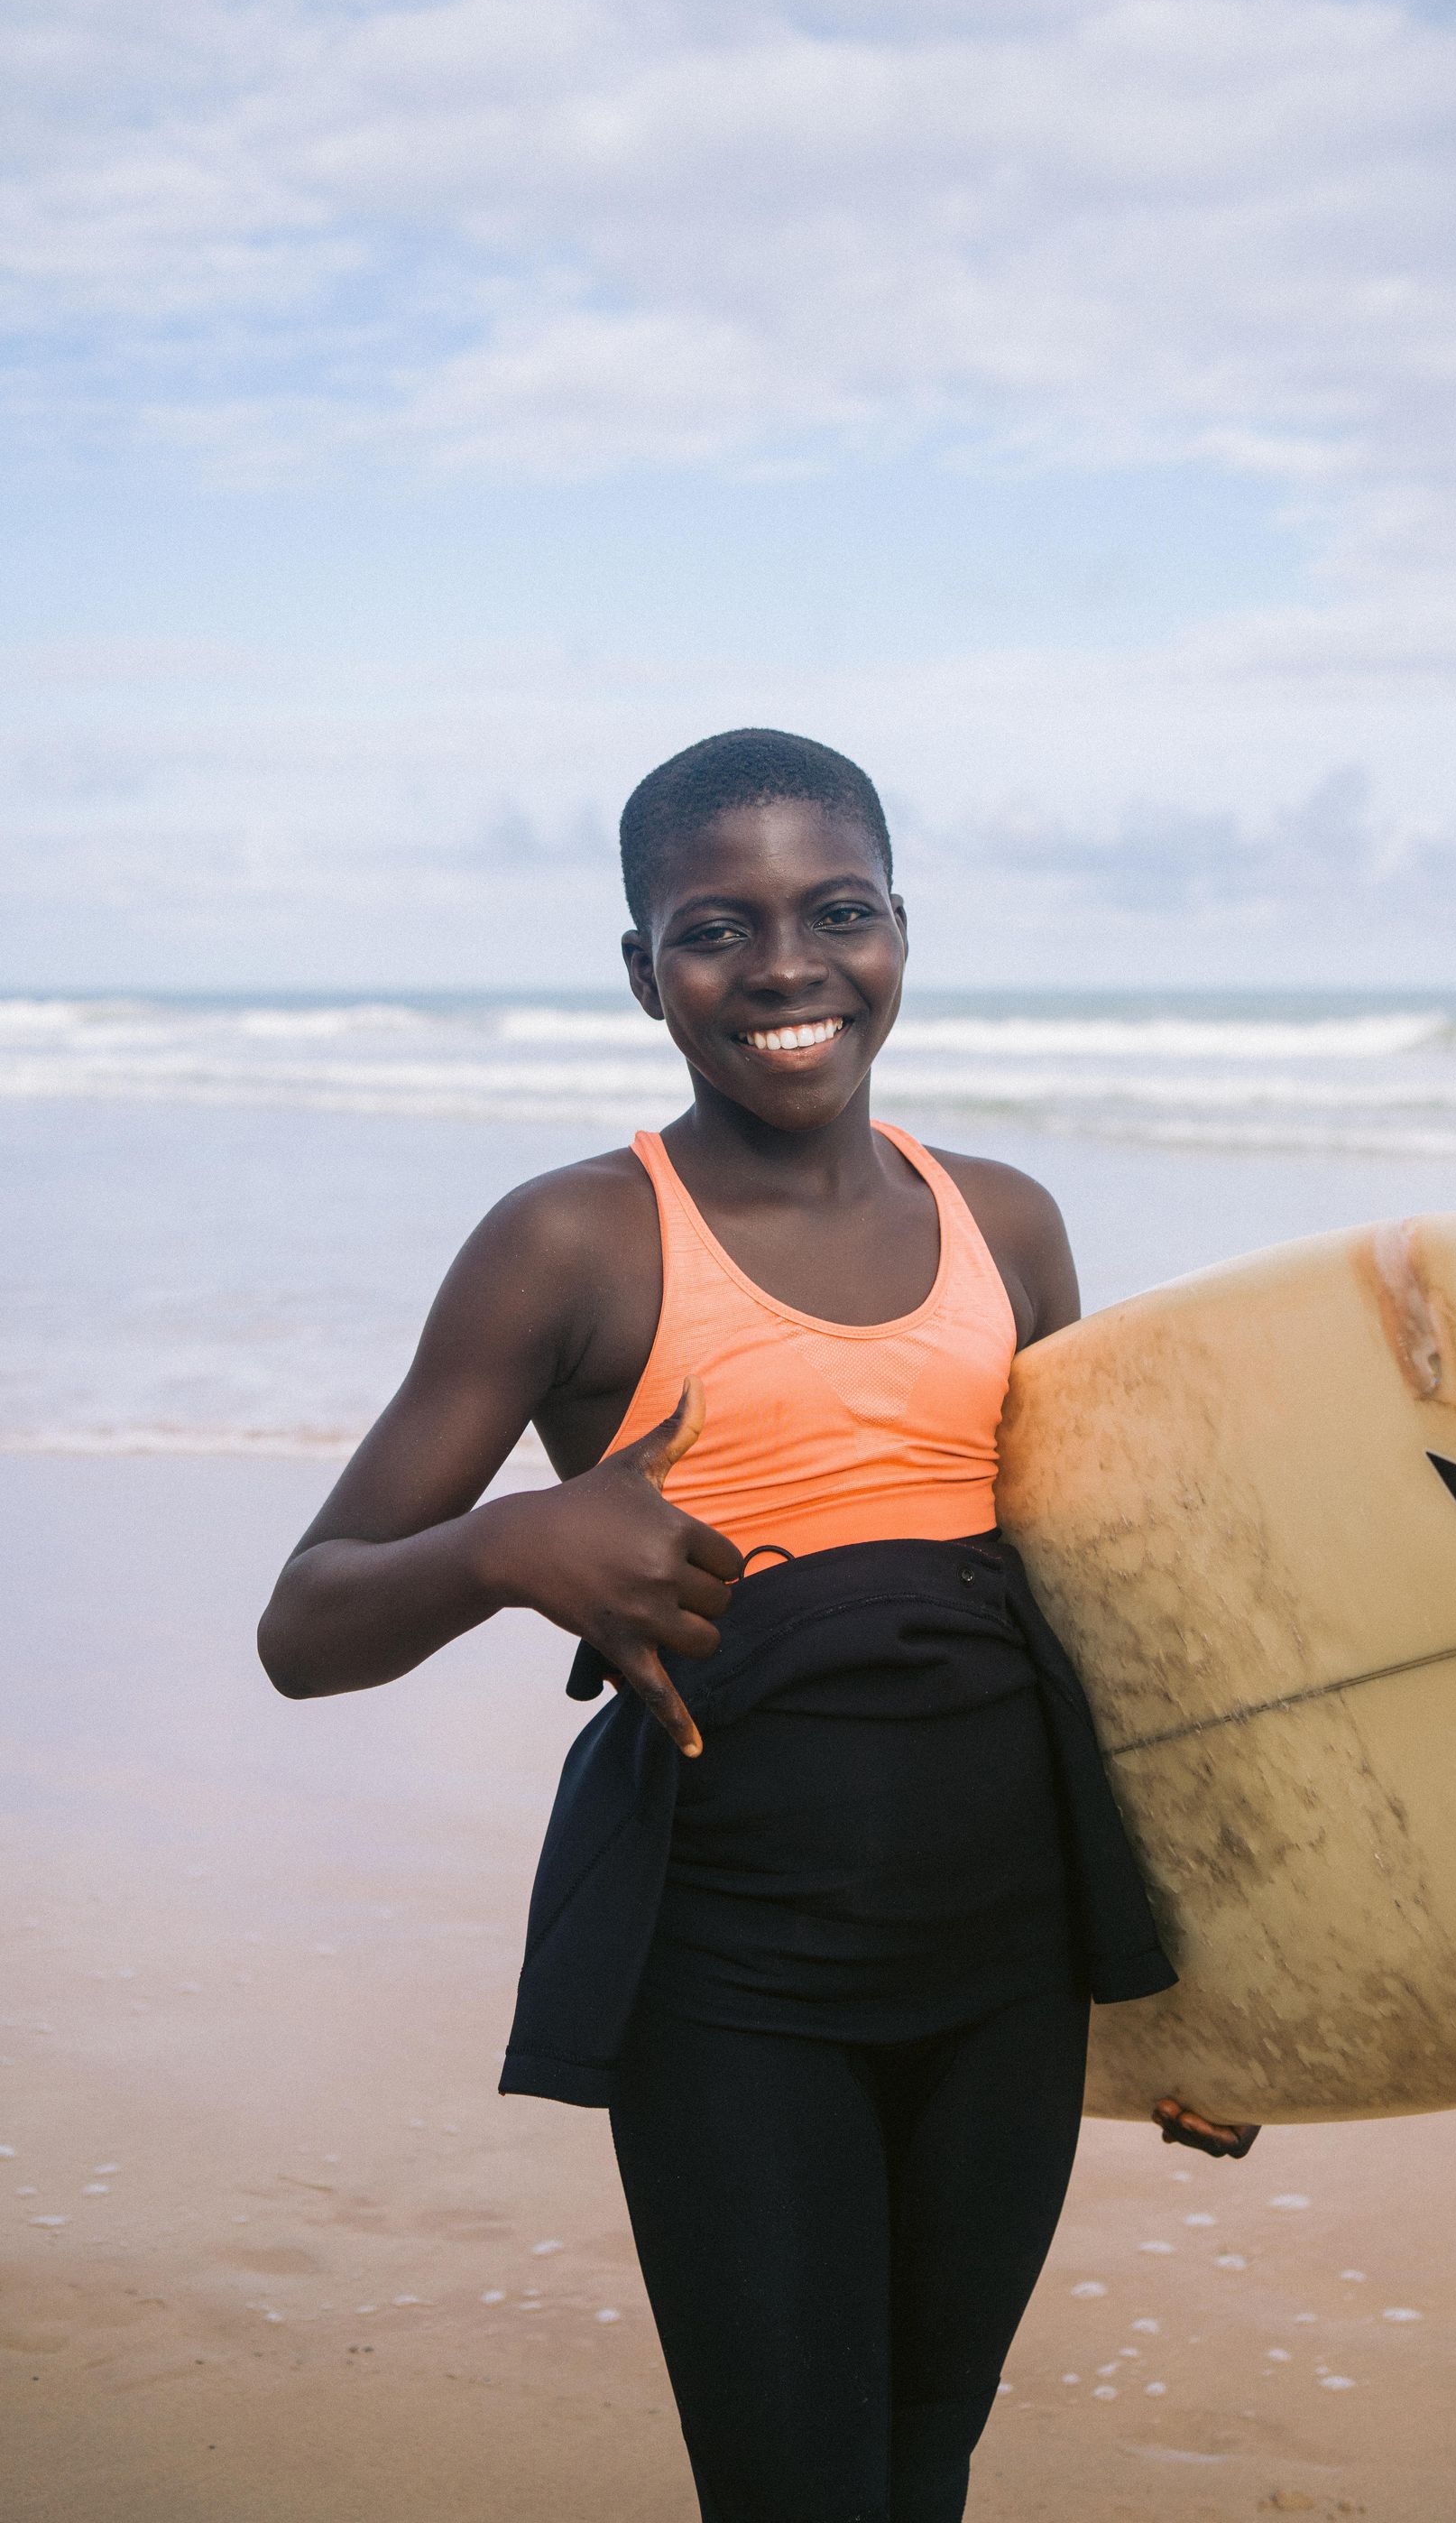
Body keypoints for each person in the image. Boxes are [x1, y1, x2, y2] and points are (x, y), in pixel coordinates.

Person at [256, 729, 1254, 2523]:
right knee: (795, 2491)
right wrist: (510, 1543)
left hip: (1010, 1962)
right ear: (644, 972)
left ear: (898, 934)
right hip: (727, 1970)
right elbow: (306, 1625)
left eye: (837, 911)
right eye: (717, 927)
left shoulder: (1007, 1226)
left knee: (924, 2459)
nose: (788, 966)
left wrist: (1242, 1994)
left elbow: (1104, 1623)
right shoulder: (571, 1243)